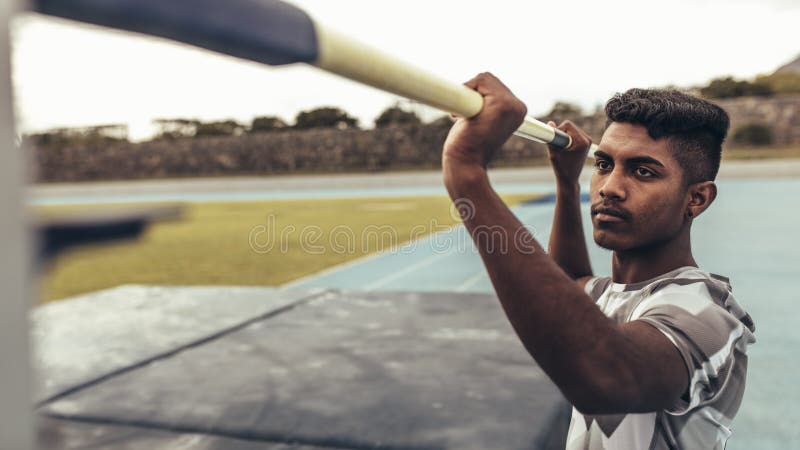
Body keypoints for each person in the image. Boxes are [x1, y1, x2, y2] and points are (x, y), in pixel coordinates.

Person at [442, 72, 756, 449]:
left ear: (697, 199)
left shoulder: (708, 315)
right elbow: (567, 283)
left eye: (643, 171)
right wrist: (567, 183)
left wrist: (467, 175)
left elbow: (611, 379)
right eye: (604, 164)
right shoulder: (614, 293)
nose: (609, 187)